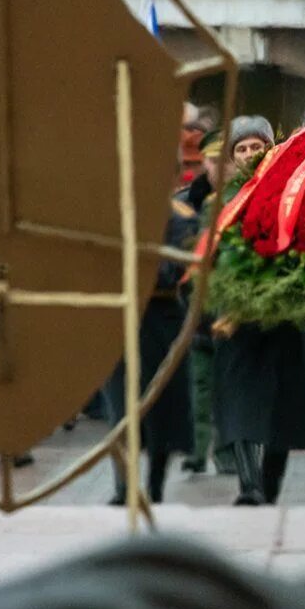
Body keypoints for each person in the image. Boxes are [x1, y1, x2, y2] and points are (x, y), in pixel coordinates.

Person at [212, 115, 305, 505]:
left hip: (283, 318)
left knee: (284, 409)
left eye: (254, 146)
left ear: (268, 148)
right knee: (240, 403)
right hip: (237, 321)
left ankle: (267, 485)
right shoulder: (223, 203)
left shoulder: (291, 193)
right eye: (240, 149)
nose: (248, 154)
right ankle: (249, 486)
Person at [97, 175, 199, 505]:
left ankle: (154, 485)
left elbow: (172, 273)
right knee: (120, 408)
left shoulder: (181, 218)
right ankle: (123, 487)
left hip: (161, 322)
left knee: (161, 410)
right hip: (119, 322)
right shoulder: (109, 216)